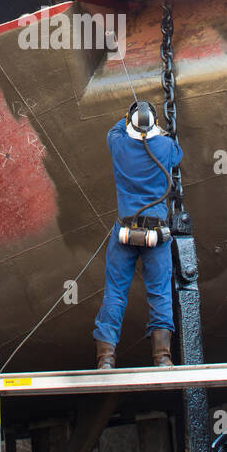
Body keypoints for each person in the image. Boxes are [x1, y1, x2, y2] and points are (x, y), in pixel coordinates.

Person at [92, 100, 184, 370]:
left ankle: (106, 359)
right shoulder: (165, 147)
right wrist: (157, 130)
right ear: (153, 124)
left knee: (115, 293)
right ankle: (162, 358)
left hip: (125, 230)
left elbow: (115, 129)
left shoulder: (117, 144)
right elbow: (178, 155)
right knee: (159, 293)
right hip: (156, 234)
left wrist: (129, 116)